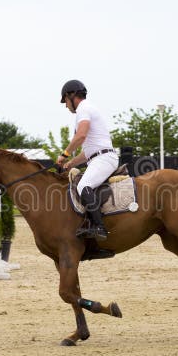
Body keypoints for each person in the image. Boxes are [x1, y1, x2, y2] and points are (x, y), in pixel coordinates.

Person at [56, 79, 118, 241]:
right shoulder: (87, 109)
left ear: (72, 96)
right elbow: (87, 152)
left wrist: (65, 154)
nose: (65, 105)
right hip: (99, 156)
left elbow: (81, 135)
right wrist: (70, 163)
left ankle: (100, 228)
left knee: (84, 185)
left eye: (65, 101)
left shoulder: (84, 108)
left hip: (104, 158)